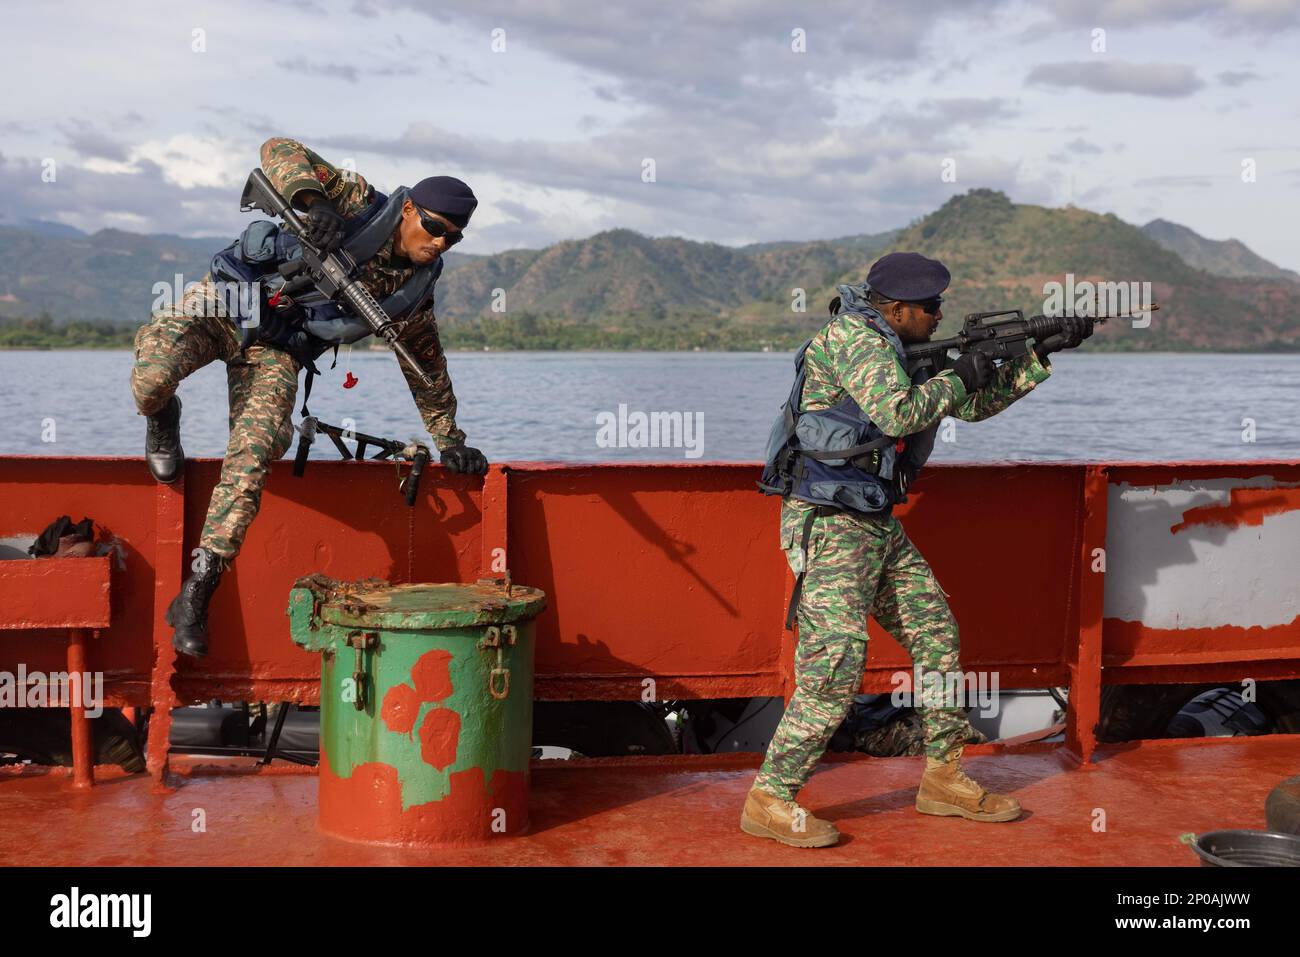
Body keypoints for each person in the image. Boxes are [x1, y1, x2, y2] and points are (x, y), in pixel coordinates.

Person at [744, 251, 1093, 847]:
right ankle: (770, 797)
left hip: (873, 520)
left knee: (936, 633)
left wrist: (1034, 358)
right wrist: (962, 373)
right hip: (831, 523)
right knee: (835, 664)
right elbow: (898, 413)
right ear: (898, 308)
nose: (938, 315)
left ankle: (943, 776)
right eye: (930, 308)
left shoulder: (898, 343)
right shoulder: (856, 339)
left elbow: (970, 405)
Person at [130, 137, 489, 658]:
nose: (439, 243)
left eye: (452, 239)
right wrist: (313, 202)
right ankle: (162, 414)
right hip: (226, 303)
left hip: (276, 347)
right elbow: (278, 148)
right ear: (409, 208)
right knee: (151, 377)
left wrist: (450, 440)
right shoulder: (357, 202)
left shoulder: (412, 292)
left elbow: (426, 370)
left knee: (256, 453)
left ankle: (197, 589)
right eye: (433, 227)